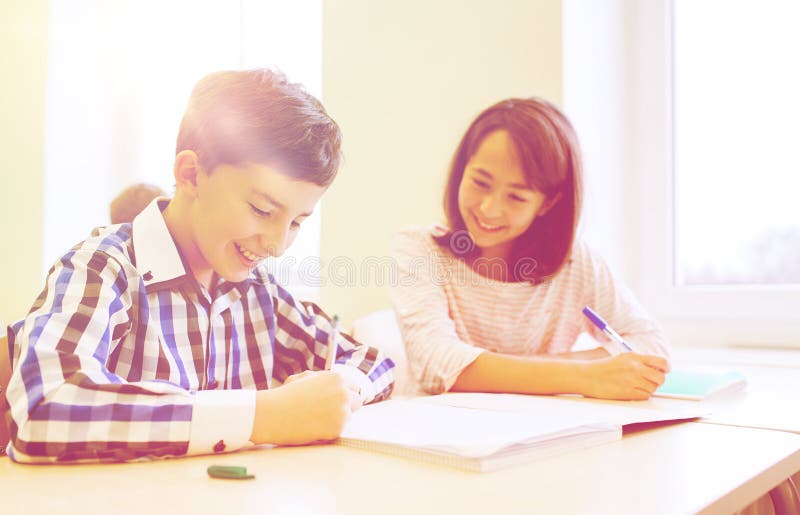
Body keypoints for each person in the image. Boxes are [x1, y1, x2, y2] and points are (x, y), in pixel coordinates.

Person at [4, 69, 395, 463]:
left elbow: (372, 361)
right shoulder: (104, 268)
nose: (277, 246)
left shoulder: (258, 291)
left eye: (296, 222)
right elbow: (43, 409)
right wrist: (263, 415)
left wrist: (340, 389)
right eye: (262, 210)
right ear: (191, 174)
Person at [390, 97, 668, 400]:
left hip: (542, 435)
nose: (489, 209)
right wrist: (584, 376)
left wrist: (526, 372)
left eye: (516, 197)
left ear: (548, 203)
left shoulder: (576, 262)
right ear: (462, 171)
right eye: (480, 183)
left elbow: (651, 346)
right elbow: (436, 364)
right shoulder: (418, 249)